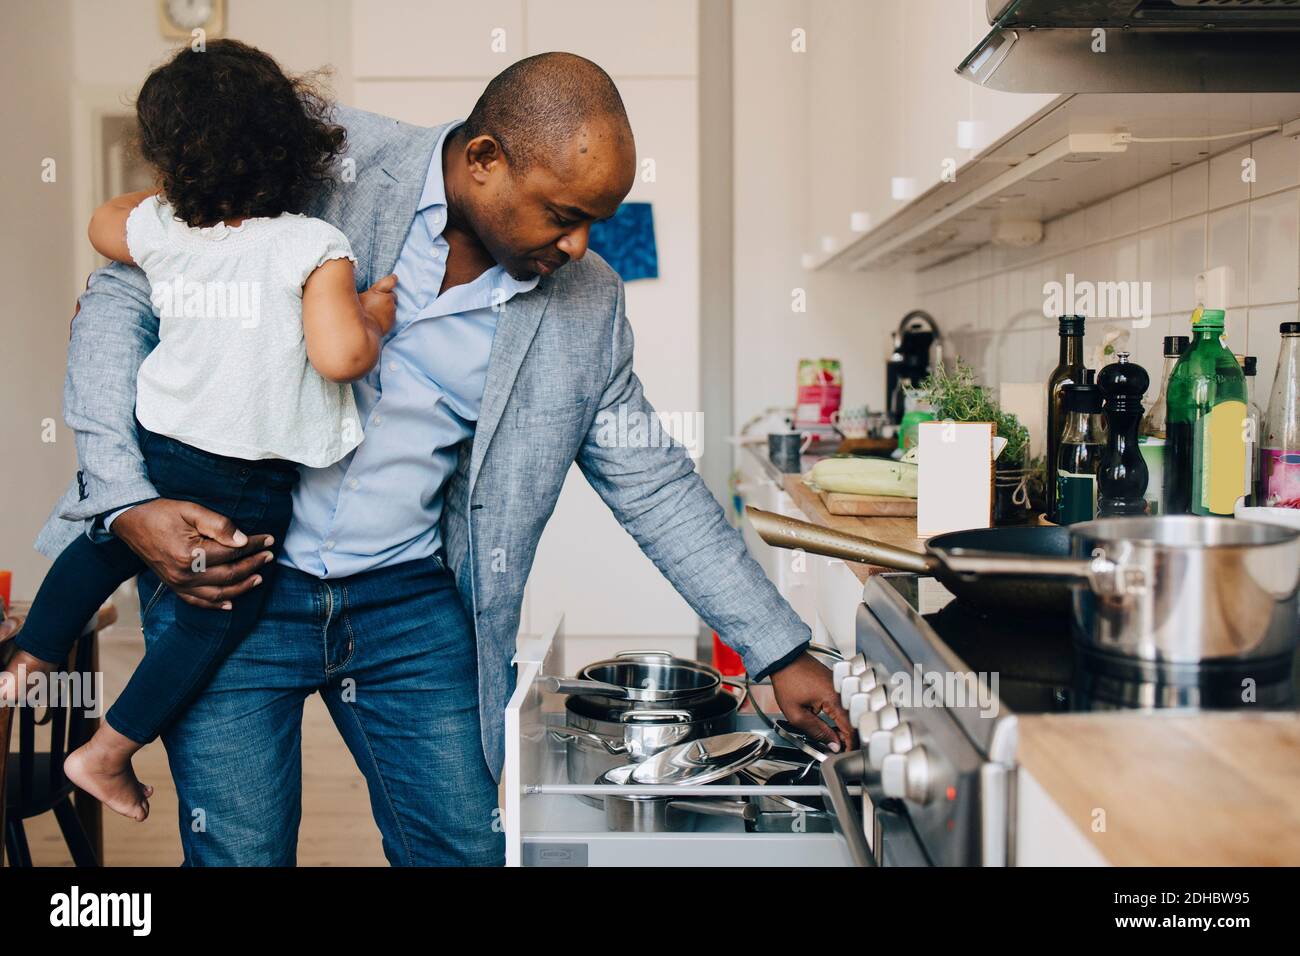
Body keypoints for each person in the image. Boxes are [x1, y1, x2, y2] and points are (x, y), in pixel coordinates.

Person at [34, 46, 852, 865]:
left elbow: (655, 482)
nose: (579, 247)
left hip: (408, 601)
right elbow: (122, 298)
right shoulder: (324, 162)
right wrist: (124, 499)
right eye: (563, 215)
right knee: (239, 855)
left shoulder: (588, 300)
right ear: (485, 160)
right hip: (236, 582)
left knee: (464, 850)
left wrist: (777, 646)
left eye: (595, 221)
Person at [1, 39, 398, 822]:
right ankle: (107, 752)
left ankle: (25, 666)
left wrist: (176, 196)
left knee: (100, 542)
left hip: (159, 450)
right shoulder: (311, 245)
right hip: (244, 478)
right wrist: (376, 314)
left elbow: (102, 221)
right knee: (221, 609)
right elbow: (342, 355)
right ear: (292, 147)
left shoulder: (163, 230)